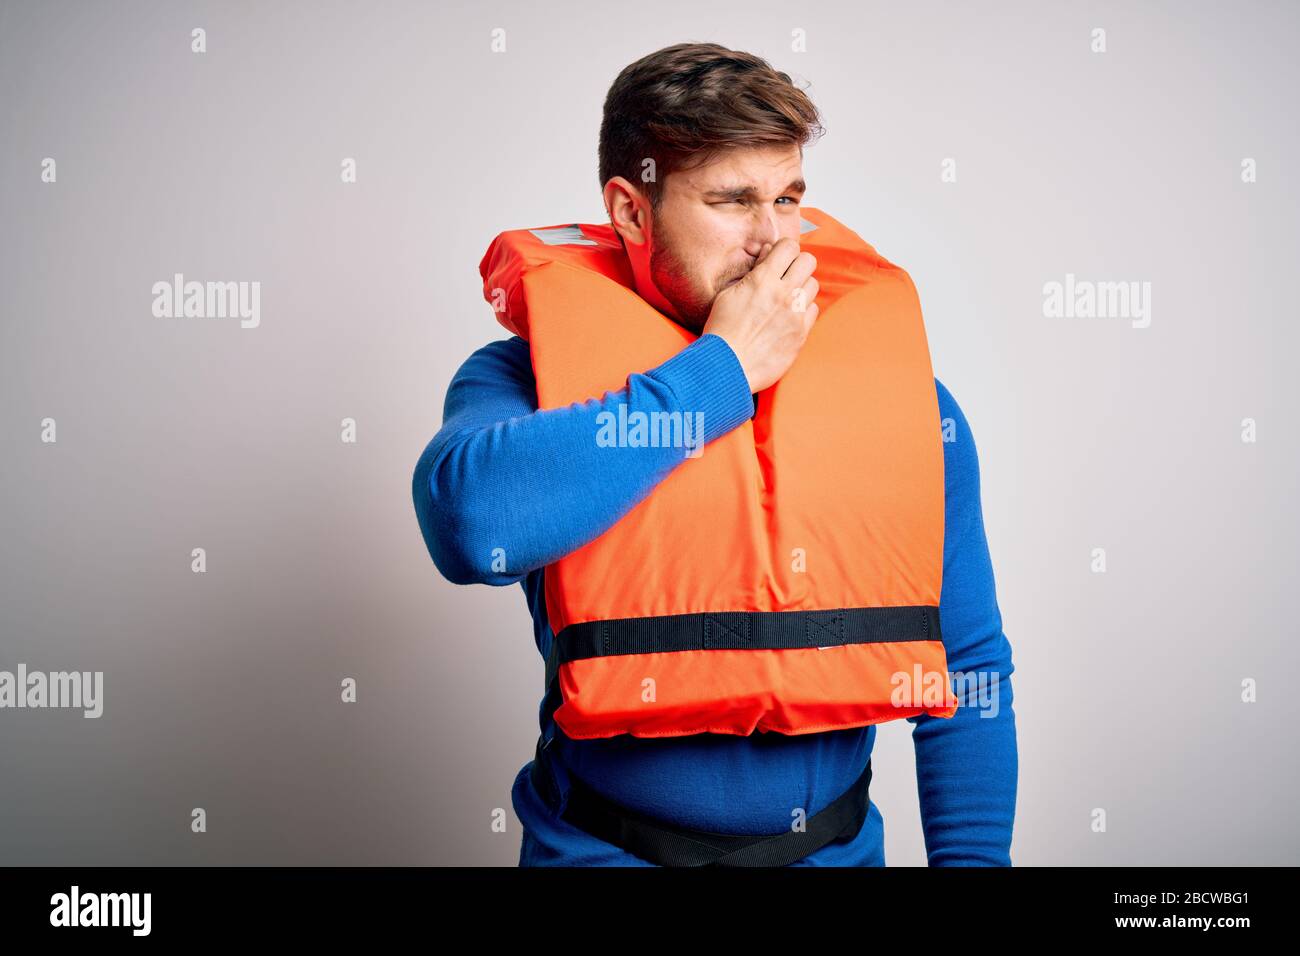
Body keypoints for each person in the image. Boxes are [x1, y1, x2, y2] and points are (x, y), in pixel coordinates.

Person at [412, 41, 1017, 866]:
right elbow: (467, 523)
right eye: (733, 200)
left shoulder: (907, 401)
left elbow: (971, 670)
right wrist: (723, 373)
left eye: (789, 197)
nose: (773, 239)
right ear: (631, 210)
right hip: (599, 850)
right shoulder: (529, 379)